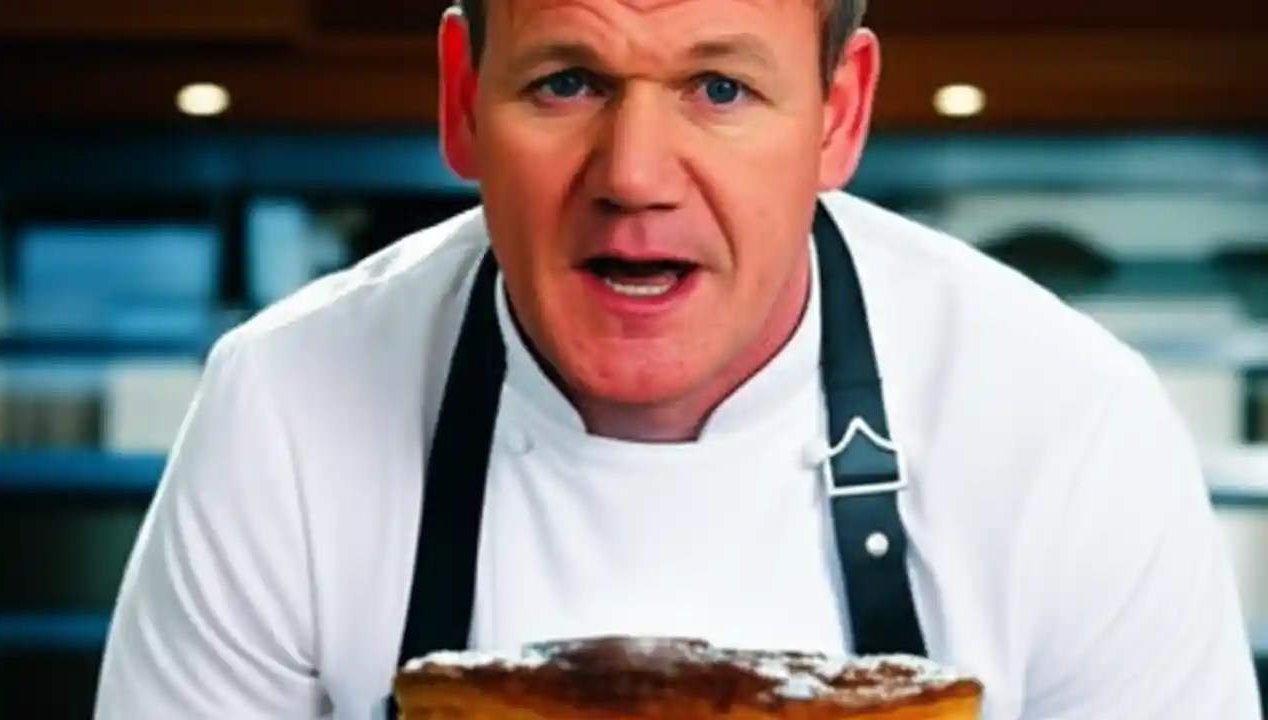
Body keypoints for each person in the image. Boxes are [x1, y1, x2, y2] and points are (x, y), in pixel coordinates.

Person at [94, 0, 1261, 717]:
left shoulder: (1065, 421)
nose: (634, 172)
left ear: (837, 114)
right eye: (566, 81)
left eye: (718, 87)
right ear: (461, 99)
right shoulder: (283, 408)